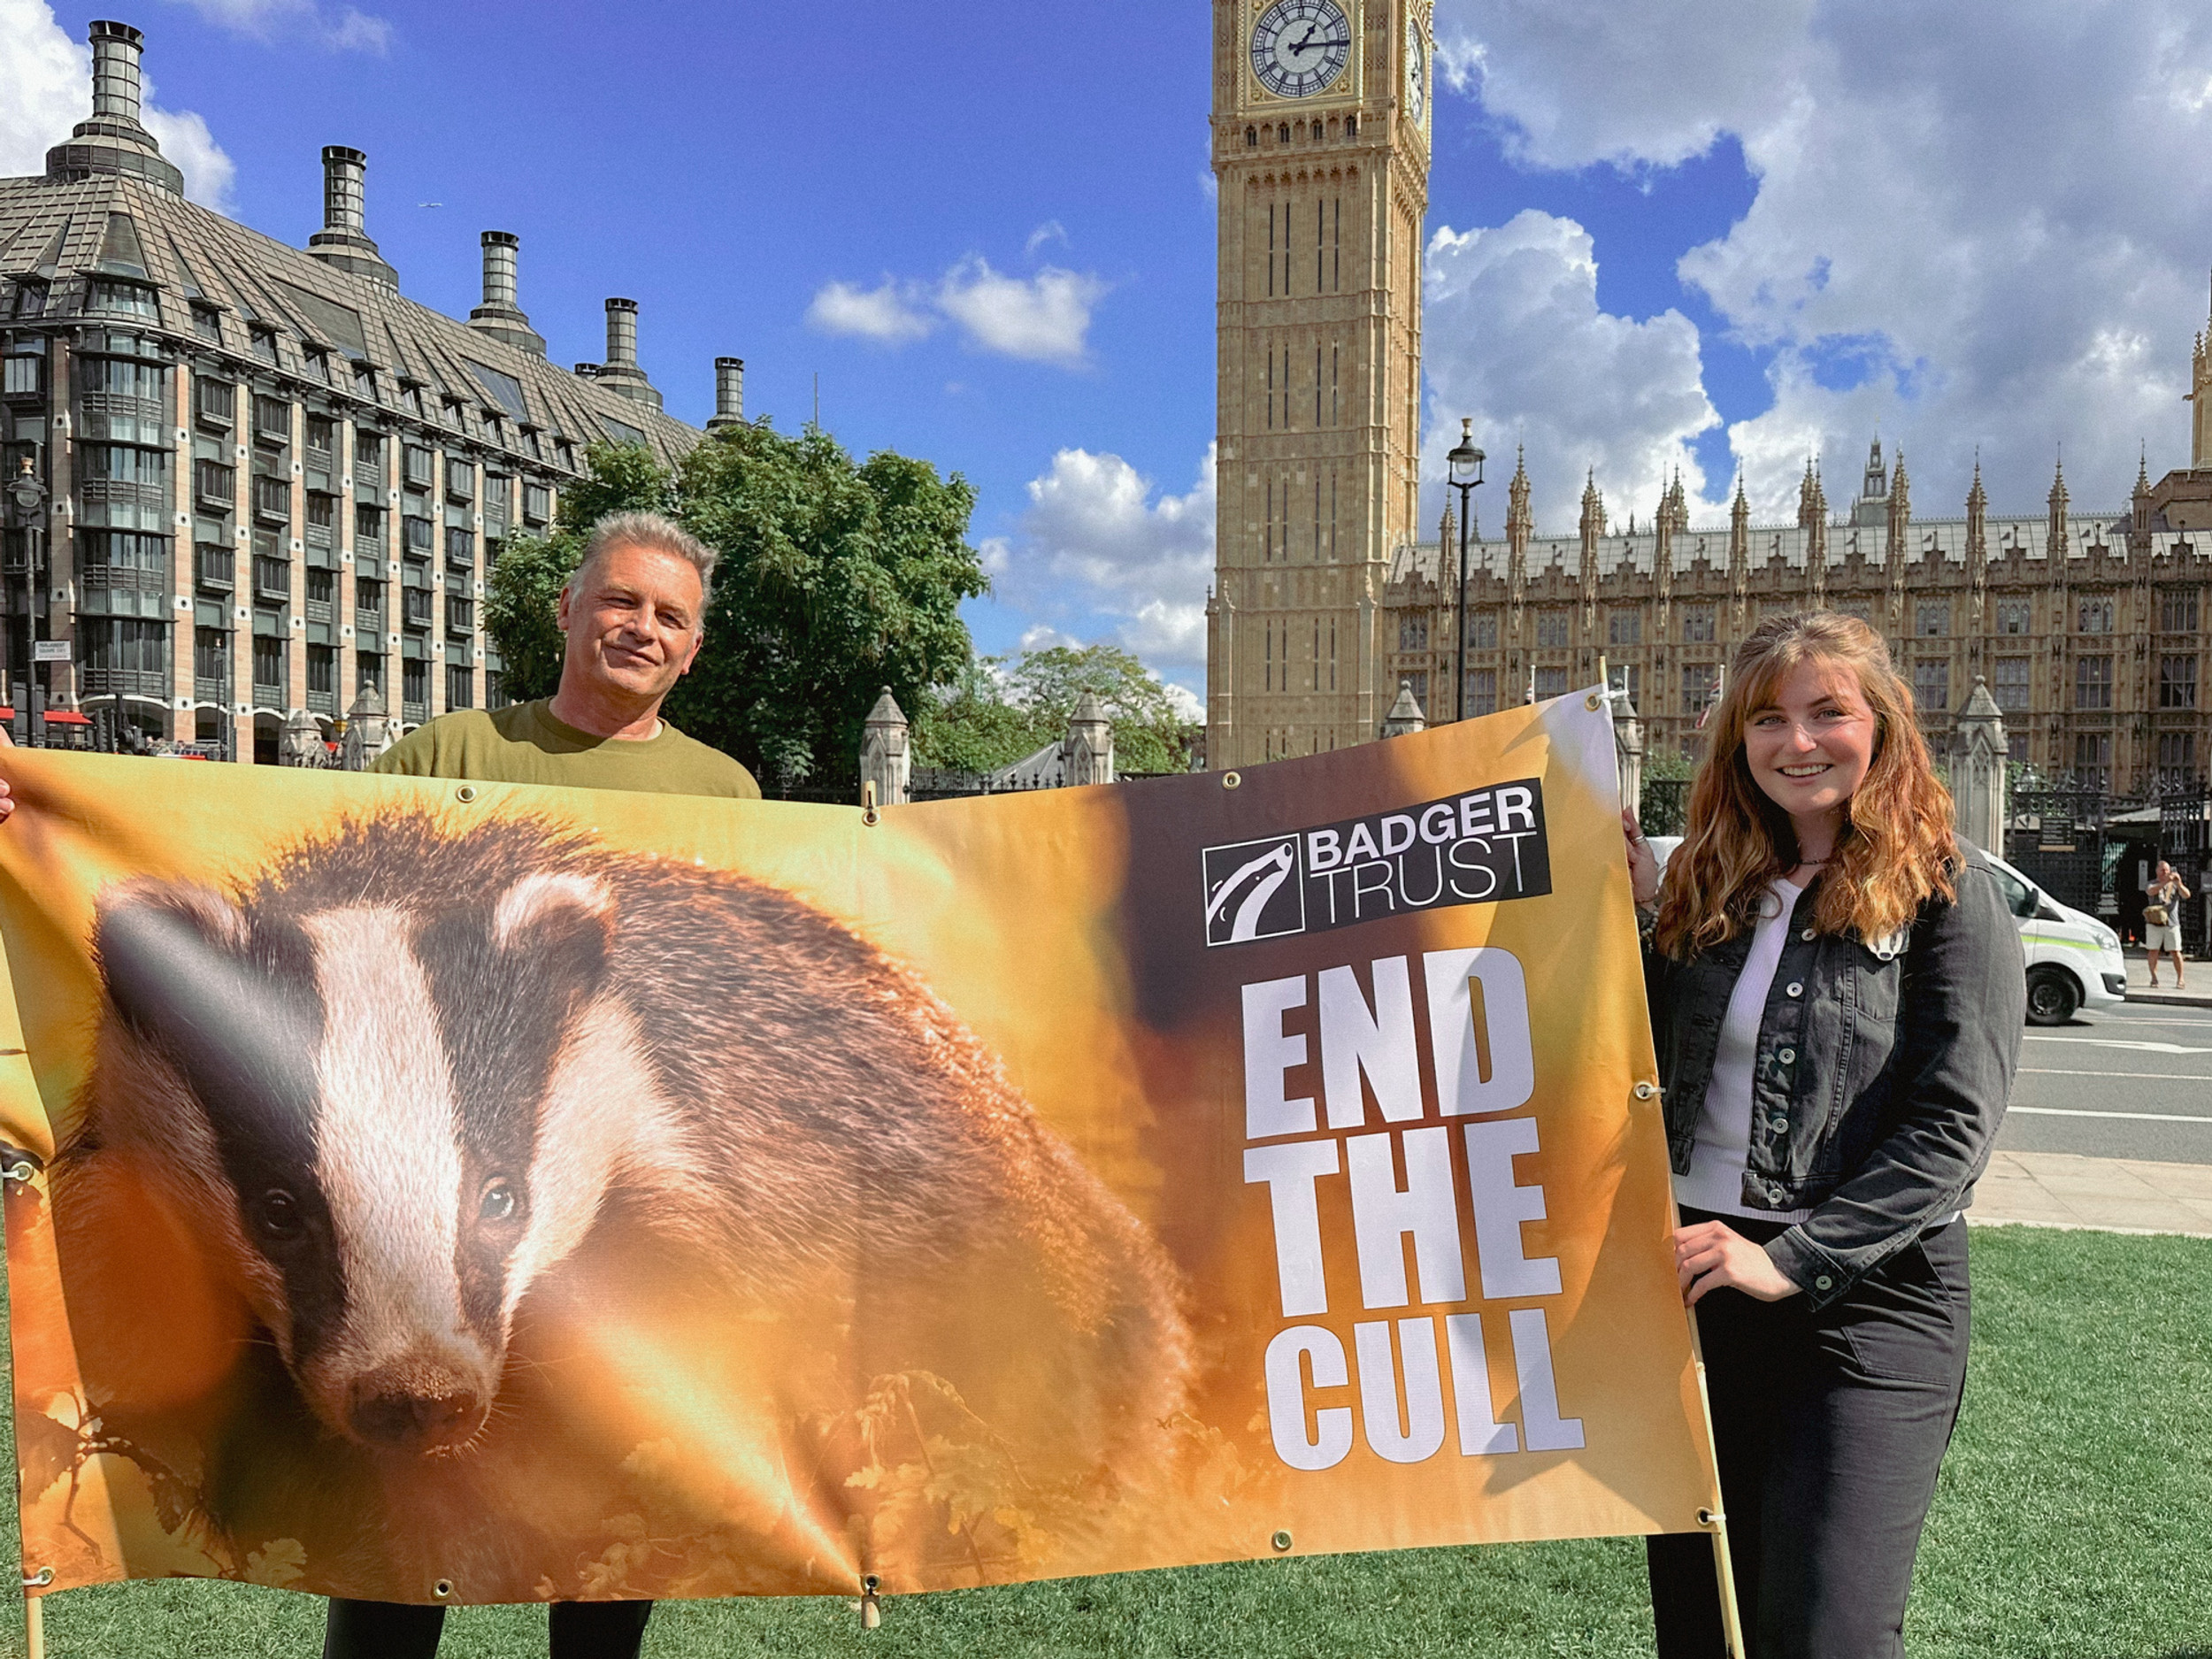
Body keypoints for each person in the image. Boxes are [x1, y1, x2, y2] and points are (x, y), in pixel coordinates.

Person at [324, 509, 757, 1659]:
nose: (642, 627)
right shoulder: (448, 755)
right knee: (397, 1561)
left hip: (608, 1243)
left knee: (602, 1544)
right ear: (566, 609)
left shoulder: (725, 790)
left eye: (670, 615)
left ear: (693, 649)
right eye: (620, 599)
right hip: (412, 1222)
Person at [1624, 611, 2023, 1659]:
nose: (1796, 742)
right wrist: (1624, 918)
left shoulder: (1951, 893)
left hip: (1870, 1300)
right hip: (1696, 1288)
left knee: (1825, 1630)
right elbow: (1635, 1068)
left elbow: (1951, 1130)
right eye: (1767, 719)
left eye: (1826, 713)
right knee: (1704, 1625)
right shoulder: (1706, 883)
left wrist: (1791, 1259)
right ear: (1736, 741)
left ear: (1881, 724)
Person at [2144, 859, 2191, 989]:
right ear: (2157, 871)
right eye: (2162, 870)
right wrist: (2164, 882)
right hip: (2154, 923)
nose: (2164, 872)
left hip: (2171, 922)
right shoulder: (2152, 883)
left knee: (2176, 951)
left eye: (2167, 870)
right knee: (2153, 950)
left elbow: (2187, 895)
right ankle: (2154, 978)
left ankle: (2180, 979)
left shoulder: (2174, 885)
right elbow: (2150, 891)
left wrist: (2179, 883)